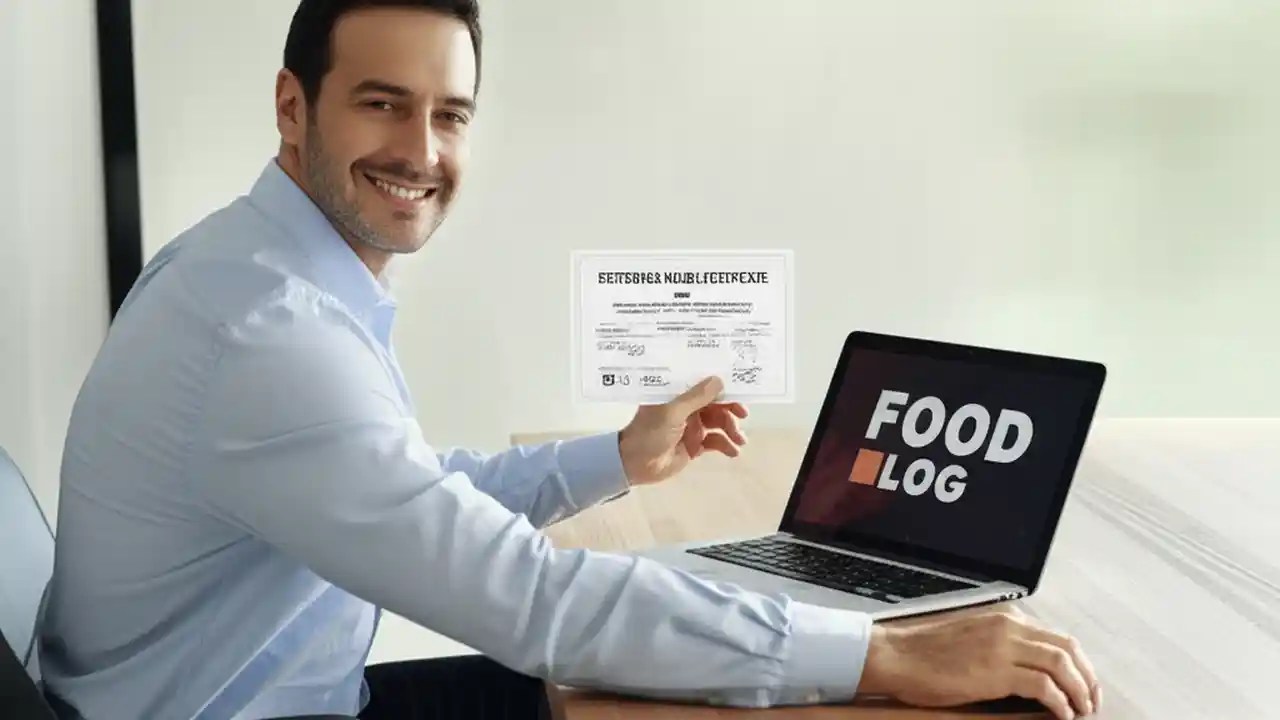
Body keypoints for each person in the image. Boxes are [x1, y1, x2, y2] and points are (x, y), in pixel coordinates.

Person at [36, 2, 1102, 719]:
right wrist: (882, 657)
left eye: (448, 114)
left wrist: (614, 460)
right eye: (380, 103)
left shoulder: (262, 271)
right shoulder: (269, 338)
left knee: (669, 671)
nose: (420, 150)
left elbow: (404, 497)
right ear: (290, 105)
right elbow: (528, 605)